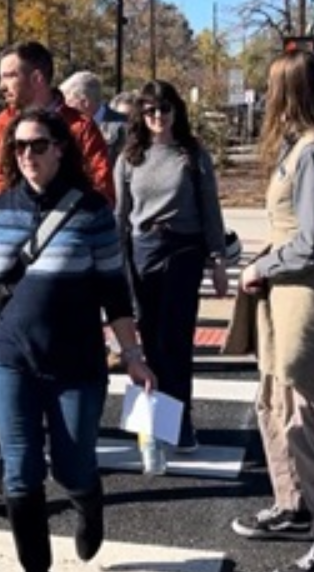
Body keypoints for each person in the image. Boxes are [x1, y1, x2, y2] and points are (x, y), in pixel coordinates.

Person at [0, 108, 155, 572]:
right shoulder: (2, 209)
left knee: (71, 466)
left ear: (60, 149)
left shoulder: (92, 212)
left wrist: (133, 356)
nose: (27, 155)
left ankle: (89, 500)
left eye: (38, 145)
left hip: (77, 363)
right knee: (21, 474)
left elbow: (114, 292)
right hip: (11, 359)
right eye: (19, 146)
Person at [0, 41, 114, 503]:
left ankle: (64, 467)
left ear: (36, 77)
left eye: (9, 76)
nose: (2, 86)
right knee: (6, 358)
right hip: (9, 273)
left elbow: (102, 197)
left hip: (63, 278)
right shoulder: (2, 126)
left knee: (58, 385)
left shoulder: (80, 130)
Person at [229, 51, 314, 572]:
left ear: (290, 92)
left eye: (274, 88)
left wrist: (264, 266)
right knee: (276, 405)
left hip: (310, 300)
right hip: (285, 297)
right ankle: (295, 504)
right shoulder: (300, 148)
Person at [114, 80, 229, 474]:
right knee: (144, 342)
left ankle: (179, 425)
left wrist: (217, 260)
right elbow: (120, 217)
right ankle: (150, 431)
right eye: (149, 111)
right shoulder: (130, 157)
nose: (158, 117)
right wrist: (112, 264)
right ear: (140, 117)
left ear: (176, 111)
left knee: (175, 341)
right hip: (143, 250)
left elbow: (210, 208)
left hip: (184, 250)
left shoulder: (192, 154)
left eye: (164, 109)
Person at [60, 70, 127, 165]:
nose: (63, 109)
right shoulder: (69, 128)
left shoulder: (124, 127)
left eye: (67, 103)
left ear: (84, 102)